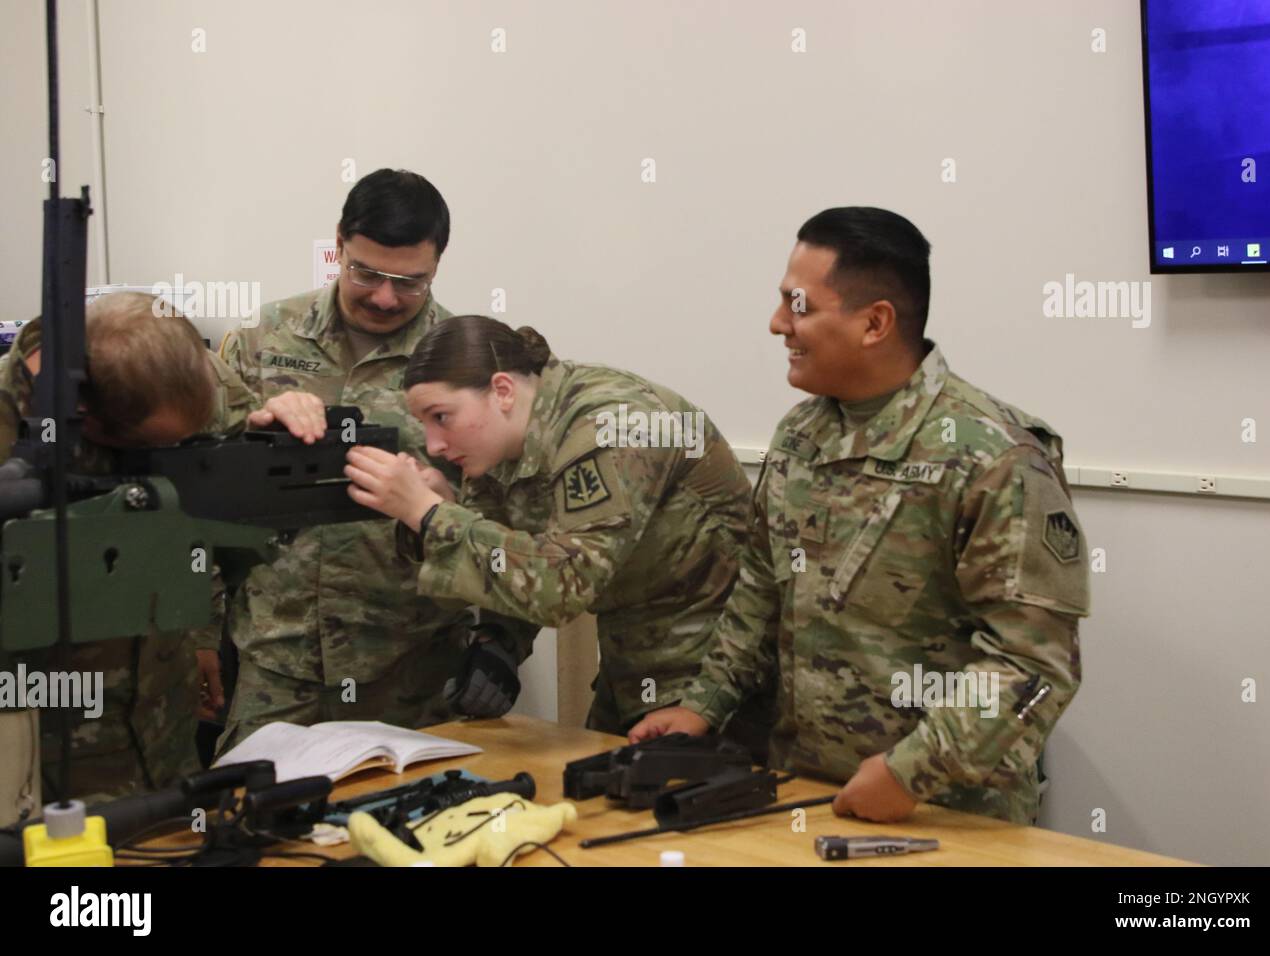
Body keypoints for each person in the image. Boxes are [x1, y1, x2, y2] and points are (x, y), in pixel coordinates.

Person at [628, 207, 1088, 825]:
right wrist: (704, 706)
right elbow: (762, 590)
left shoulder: (992, 455)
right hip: (804, 793)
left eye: (799, 306)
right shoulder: (801, 434)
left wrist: (912, 771)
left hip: (944, 811)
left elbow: (1032, 666)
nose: (776, 324)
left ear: (875, 322)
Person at [343, 315, 774, 743]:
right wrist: (499, 641)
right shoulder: (500, 441)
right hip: (632, 667)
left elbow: (564, 584)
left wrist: (432, 514)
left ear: (502, 391)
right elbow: (511, 551)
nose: (434, 444)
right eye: (424, 424)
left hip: (714, 683)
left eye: (441, 417)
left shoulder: (612, 425)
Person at [207, 169, 483, 755]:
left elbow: (515, 516)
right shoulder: (260, 342)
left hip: (411, 666)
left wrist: (505, 645)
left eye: (410, 283)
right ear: (338, 245)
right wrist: (195, 639)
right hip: (277, 660)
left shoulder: (470, 365)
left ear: (439, 266)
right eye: (367, 273)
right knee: (255, 832)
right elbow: (200, 496)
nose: (385, 297)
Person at [0, 291, 253, 822]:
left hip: (167, 724)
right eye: (153, 447)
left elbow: (208, 502)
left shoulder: (179, 367)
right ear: (89, 421)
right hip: (58, 749)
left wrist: (202, 631)